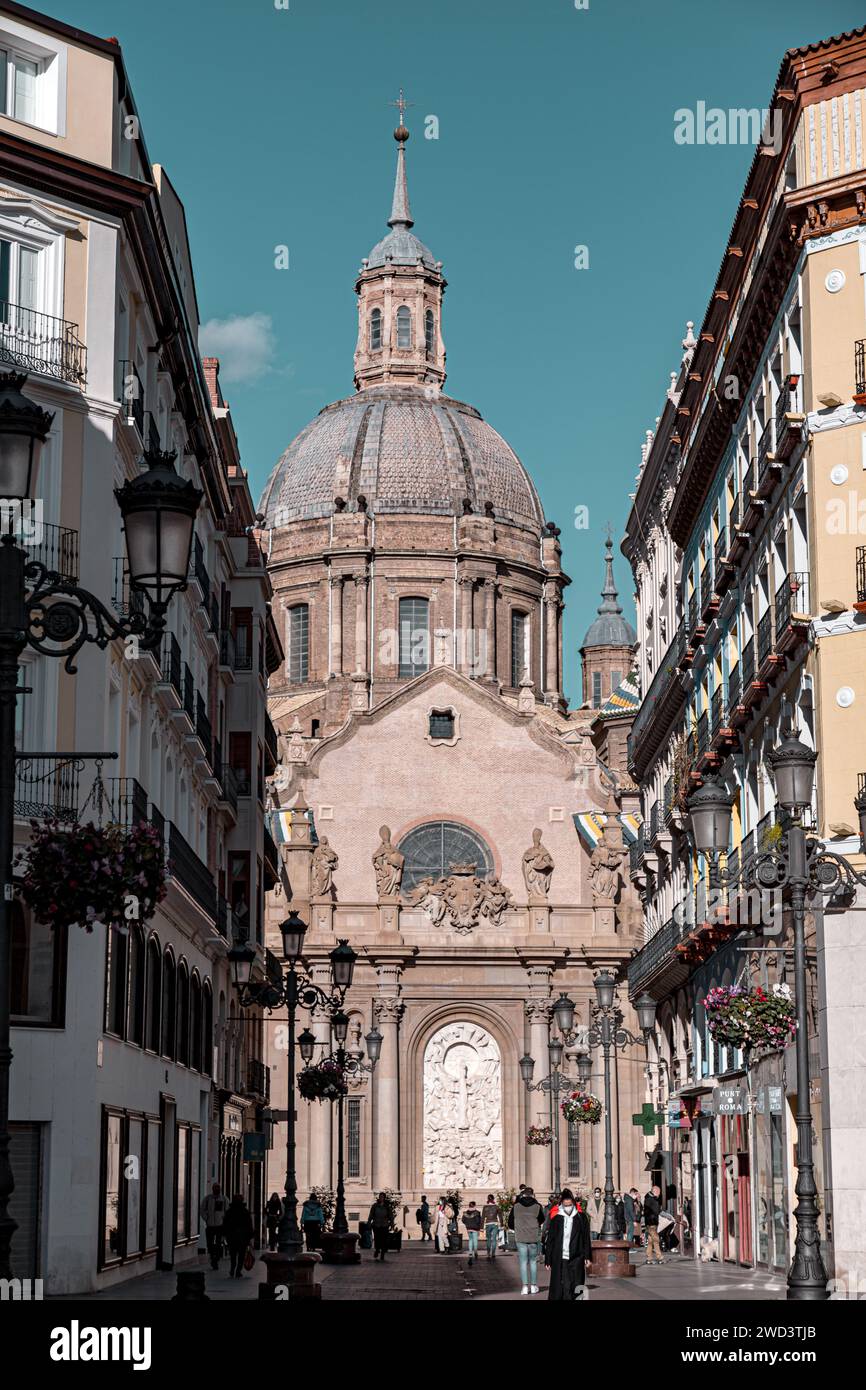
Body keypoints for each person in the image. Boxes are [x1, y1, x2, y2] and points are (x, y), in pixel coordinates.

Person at [545, 1188, 592, 1301]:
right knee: (565, 1285)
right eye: (565, 1205)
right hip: (562, 1257)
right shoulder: (556, 1218)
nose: (568, 1208)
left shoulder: (581, 1217)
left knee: (577, 1282)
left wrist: (588, 1256)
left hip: (577, 1255)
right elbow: (550, 1240)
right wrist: (548, 1259)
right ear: (561, 1204)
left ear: (573, 1203)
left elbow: (586, 1237)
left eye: (569, 1205)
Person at [508, 1185, 544, 1295]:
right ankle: (533, 1286)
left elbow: (510, 1222)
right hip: (533, 1236)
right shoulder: (537, 1206)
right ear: (533, 1195)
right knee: (533, 1261)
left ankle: (524, 1286)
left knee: (523, 1262)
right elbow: (542, 1219)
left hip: (521, 1236)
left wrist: (518, 1228)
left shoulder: (516, 1206)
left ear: (522, 1195)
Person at [222, 1194, 254, 1278]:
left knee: (233, 1254)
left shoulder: (229, 1212)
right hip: (242, 1237)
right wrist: (250, 1236)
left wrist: (224, 1234)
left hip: (232, 1236)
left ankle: (232, 1268)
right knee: (241, 1254)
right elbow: (249, 1225)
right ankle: (238, 1271)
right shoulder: (245, 1212)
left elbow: (225, 1224)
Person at [199, 1182, 226, 1271]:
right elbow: (202, 1209)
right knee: (209, 1243)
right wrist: (206, 1218)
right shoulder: (207, 1199)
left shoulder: (224, 1199)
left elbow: (227, 1211)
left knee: (219, 1243)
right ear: (212, 1189)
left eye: (218, 1188)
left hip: (220, 1226)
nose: (216, 1189)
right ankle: (212, 1256)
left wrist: (223, 1220)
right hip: (210, 1225)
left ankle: (216, 1258)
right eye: (215, 1188)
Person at [368, 1192, 392, 1261]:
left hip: (384, 1225)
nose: (381, 1198)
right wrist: (369, 1222)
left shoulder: (387, 1206)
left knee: (383, 1240)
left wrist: (391, 1223)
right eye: (380, 1196)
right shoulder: (375, 1206)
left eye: (382, 1197)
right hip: (376, 1225)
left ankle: (382, 1253)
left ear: (384, 1198)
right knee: (377, 1239)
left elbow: (390, 1215)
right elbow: (371, 1215)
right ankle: (377, 1250)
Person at [644, 1184, 664, 1265]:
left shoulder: (649, 1199)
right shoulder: (651, 1200)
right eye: (659, 1192)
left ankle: (649, 1258)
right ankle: (660, 1257)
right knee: (656, 1240)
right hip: (652, 1223)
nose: (659, 1193)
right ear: (655, 1191)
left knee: (650, 1241)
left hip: (650, 1223)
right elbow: (655, 1211)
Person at [481, 1194, 500, 1260]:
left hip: (488, 1224)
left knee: (488, 1239)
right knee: (494, 1239)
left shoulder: (485, 1207)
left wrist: (481, 1227)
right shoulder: (497, 1206)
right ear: (493, 1199)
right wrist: (502, 1225)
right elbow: (500, 1216)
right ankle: (493, 1253)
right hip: (495, 1223)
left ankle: (488, 1253)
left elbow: (483, 1217)